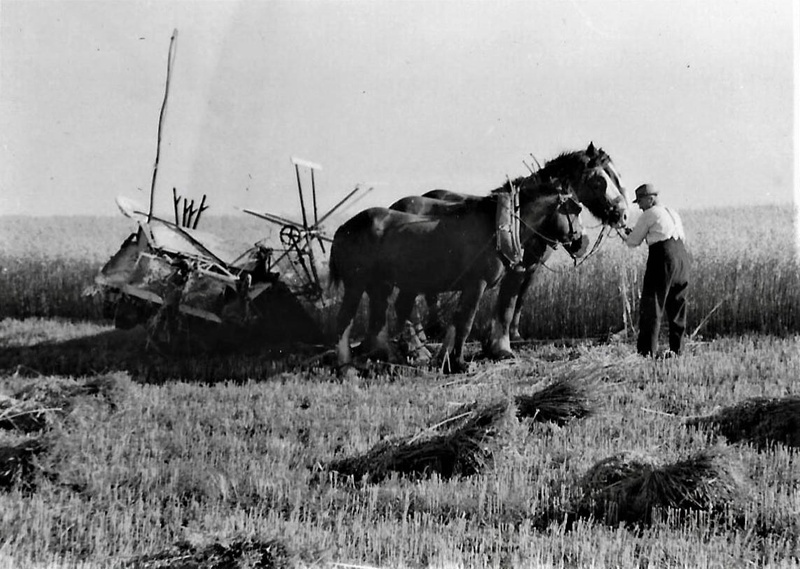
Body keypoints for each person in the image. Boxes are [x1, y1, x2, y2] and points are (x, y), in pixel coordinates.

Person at [623, 183, 690, 357]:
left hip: (663, 258)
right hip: (682, 258)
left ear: (650, 199)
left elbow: (632, 242)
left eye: (640, 201)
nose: (639, 205)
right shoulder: (672, 212)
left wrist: (625, 233)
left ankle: (647, 353)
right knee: (677, 306)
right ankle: (678, 350)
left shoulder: (649, 214)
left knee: (652, 305)